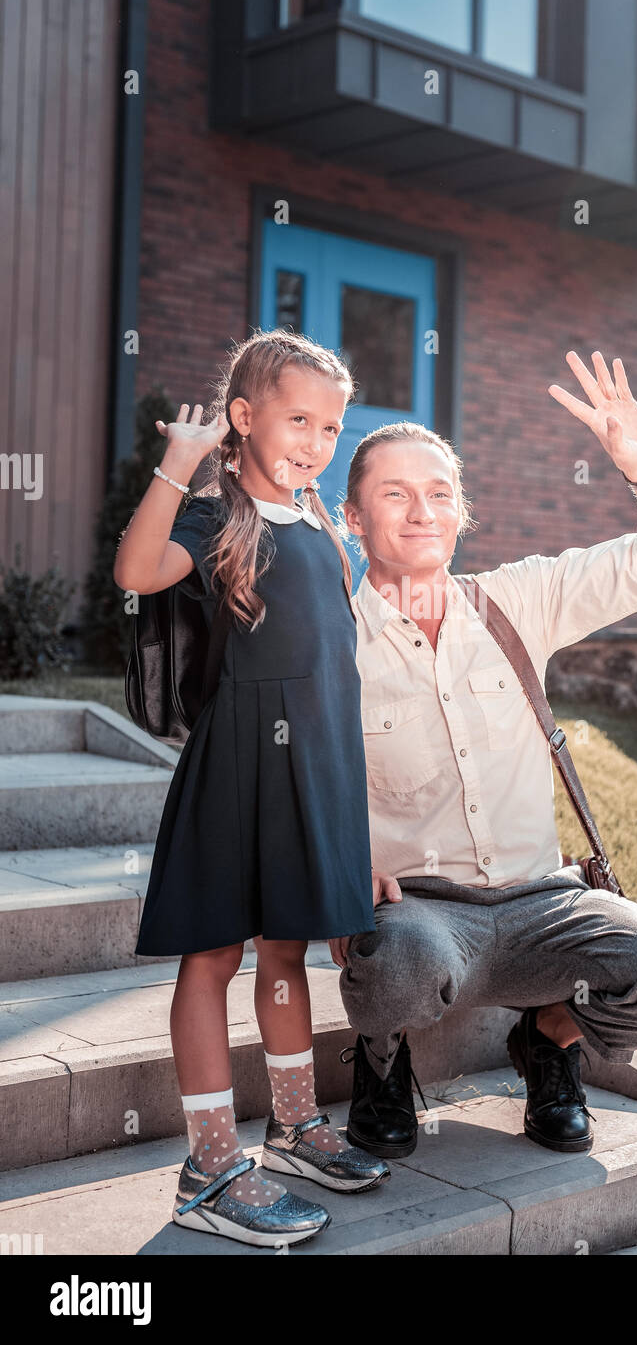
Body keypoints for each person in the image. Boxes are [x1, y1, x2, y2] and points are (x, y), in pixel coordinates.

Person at [332, 348, 637, 1160]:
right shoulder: (333, 636)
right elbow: (274, 761)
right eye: (394, 494)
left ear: (461, 513)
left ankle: (547, 1041)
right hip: (422, 911)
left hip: (543, 903)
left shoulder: (516, 601)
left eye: (439, 494)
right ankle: (381, 1059)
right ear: (354, 518)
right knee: (399, 961)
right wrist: (337, 862)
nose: (421, 511)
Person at [113, 330, 388, 1249]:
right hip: (238, 764)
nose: (317, 438)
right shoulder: (215, 515)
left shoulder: (326, 531)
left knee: (286, 952)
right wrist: (174, 470)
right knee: (214, 956)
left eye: (333, 425)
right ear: (243, 417)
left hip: (315, 765)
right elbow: (136, 574)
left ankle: (297, 1125)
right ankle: (210, 1162)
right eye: (298, 418)